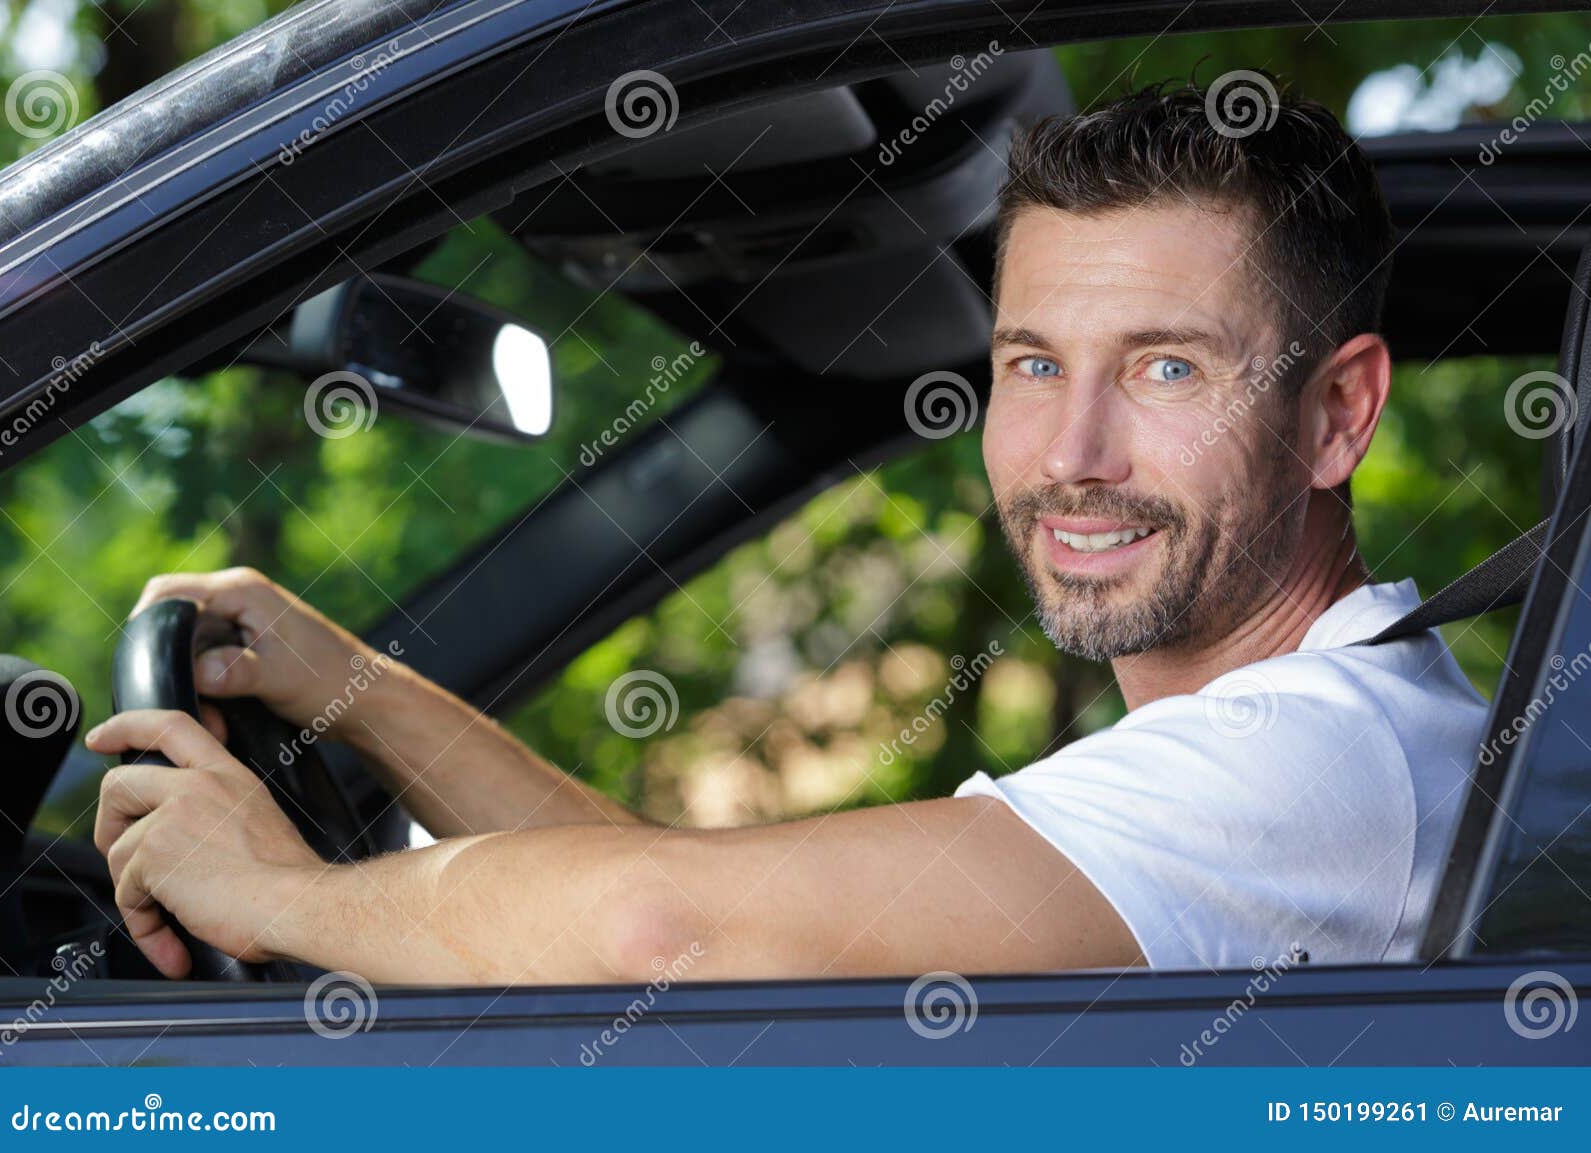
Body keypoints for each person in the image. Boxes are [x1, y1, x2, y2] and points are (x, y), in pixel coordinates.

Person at [86, 78, 1487, 984]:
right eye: (1033, 363)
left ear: (1336, 415)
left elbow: (655, 929)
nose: (1072, 454)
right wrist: (360, 689)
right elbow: (704, 914)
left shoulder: (1315, 762)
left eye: (1166, 367)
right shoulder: (1327, 743)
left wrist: (277, 893)